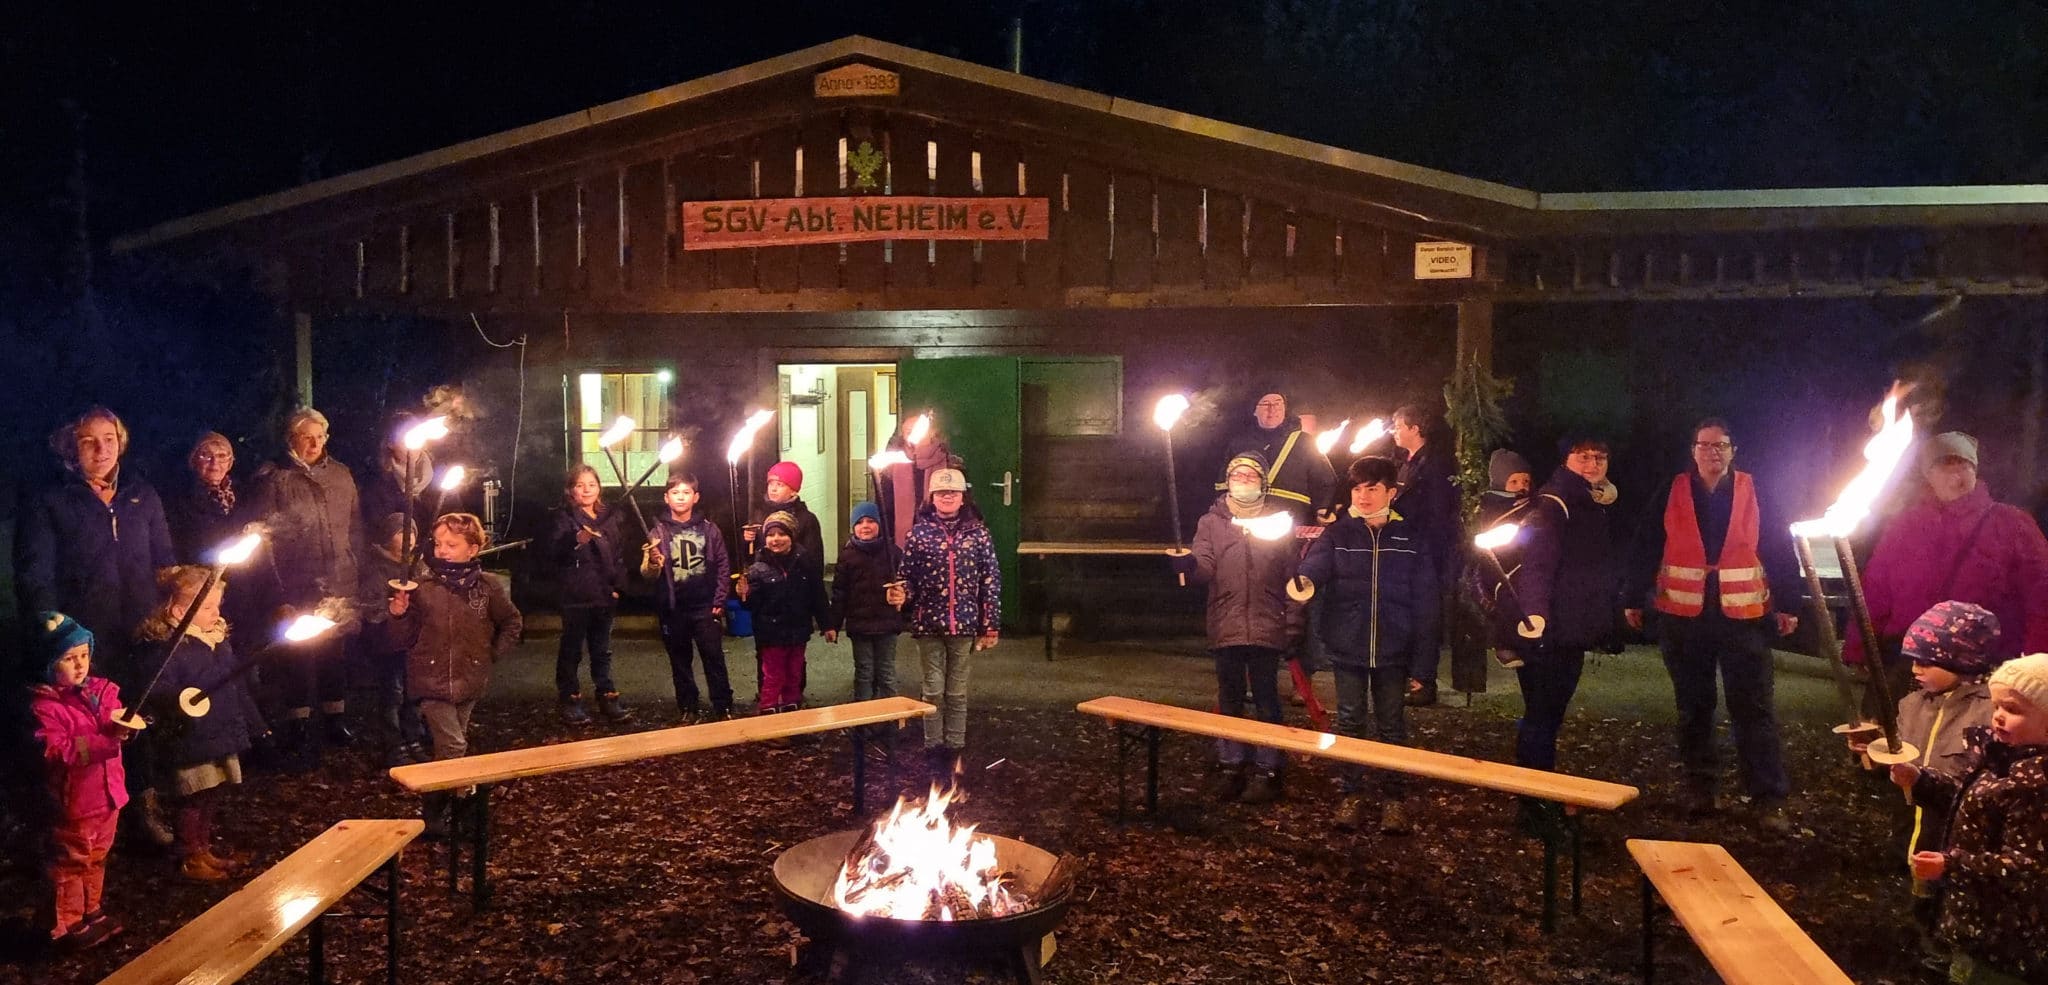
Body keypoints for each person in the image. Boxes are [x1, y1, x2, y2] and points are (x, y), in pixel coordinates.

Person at [1627, 418, 1800, 832]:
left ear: (1733, 450)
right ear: (1693, 451)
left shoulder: (1755, 491)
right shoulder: (1671, 491)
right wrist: (1632, 595)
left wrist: (1789, 603)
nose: (1712, 453)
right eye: (1705, 446)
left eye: (1720, 445)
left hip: (1744, 619)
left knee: (1753, 709)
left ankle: (1768, 797)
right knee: (1693, 708)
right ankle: (1700, 790)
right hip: (1685, 620)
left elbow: (1777, 545)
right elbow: (1646, 543)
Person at [16, 407, 176, 845]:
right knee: (90, 726)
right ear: (72, 448)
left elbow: (165, 562)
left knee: (138, 717)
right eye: (89, 441)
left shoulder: (142, 495)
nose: (101, 449)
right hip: (84, 639)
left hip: (141, 632)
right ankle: (86, 820)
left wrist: (182, 597)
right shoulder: (51, 501)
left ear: (121, 441)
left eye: (109, 438)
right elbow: (35, 574)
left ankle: (143, 806)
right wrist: (54, 630)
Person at [1846, 432, 2048, 698]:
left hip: (1984, 665)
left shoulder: (2012, 524)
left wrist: (2037, 659)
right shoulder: (1905, 525)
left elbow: (2041, 594)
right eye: (1944, 465)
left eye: (1963, 464)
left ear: (1975, 469)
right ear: (1928, 475)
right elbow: (1875, 589)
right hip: (1910, 661)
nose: (1956, 474)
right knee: (1899, 734)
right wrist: (1859, 646)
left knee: (1964, 736)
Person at [1297, 456, 1437, 832]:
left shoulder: (1410, 538)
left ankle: (1393, 798)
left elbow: (1426, 601)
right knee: (1350, 720)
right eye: (1358, 488)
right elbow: (1317, 564)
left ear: (1391, 492)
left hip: (1394, 647)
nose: (1364, 495)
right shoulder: (1340, 533)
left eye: (1373, 488)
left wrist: (1424, 665)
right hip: (1350, 645)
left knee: (1391, 724)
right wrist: (1305, 580)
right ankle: (1351, 792)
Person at [1891, 652, 2048, 984]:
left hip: (2006, 936)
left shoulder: (2036, 785)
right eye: (1997, 707)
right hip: (1978, 920)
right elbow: (1968, 798)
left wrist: (1953, 864)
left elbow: (2029, 867)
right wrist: (1920, 779)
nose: (1999, 718)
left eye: (2013, 710)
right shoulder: (2004, 758)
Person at [1859, 601, 1999, 969]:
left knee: (1949, 887)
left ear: (1963, 662)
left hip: (1956, 825)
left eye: (1927, 662)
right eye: (1913, 660)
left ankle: (1953, 949)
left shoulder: (1989, 711)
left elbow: (1981, 780)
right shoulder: (1912, 704)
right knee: (1918, 874)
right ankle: (1922, 933)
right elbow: (1897, 752)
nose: (1915, 669)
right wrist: (1872, 752)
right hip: (1915, 816)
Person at [382, 513, 521, 838]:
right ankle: (466, 803)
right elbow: (400, 638)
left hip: (470, 678)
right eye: (440, 543)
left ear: (472, 549)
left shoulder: (487, 587)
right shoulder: (424, 588)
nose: (442, 550)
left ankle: (435, 814)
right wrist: (397, 614)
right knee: (454, 745)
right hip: (430, 681)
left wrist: (491, 654)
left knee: (449, 749)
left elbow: (512, 621)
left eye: (452, 544)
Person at [1173, 451, 1301, 806]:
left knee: (1266, 699)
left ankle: (1268, 768)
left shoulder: (1278, 522)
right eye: (1237, 477)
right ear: (1227, 482)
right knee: (1229, 697)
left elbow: (1294, 577)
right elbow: (1205, 569)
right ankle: (1232, 765)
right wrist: (1189, 564)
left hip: (1266, 623)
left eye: (1251, 477)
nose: (1243, 483)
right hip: (1226, 622)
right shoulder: (1211, 523)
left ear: (1263, 482)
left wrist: (1292, 624)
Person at [134, 567, 268, 882]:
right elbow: (159, 692)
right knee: (193, 797)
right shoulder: (167, 649)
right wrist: (177, 704)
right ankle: (188, 855)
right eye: (207, 607)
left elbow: (234, 686)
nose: (216, 612)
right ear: (181, 611)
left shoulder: (217, 639)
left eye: (217, 605)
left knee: (212, 794)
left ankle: (203, 848)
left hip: (220, 733)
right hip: (191, 739)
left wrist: (256, 723)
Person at [1500, 438, 1624, 771]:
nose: (1592, 463)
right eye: (1583, 456)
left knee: (1548, 718)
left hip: (1570, 629)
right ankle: (1535, 804)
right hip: (1548, 633)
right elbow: (1537, 564)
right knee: (1542, 717)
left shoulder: (1589, 501)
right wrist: (1536, 616)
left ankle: (1540, 798)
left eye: (1600, 456)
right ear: (1566, 460)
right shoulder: (1555, 503)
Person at [248, 407, 364, 763]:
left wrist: (354, 570)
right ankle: (298, 723)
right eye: (306, 437)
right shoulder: (277, 480)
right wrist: (278, 594)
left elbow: (356, 529)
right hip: (297, 582)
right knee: (297, 655)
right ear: (292, 440)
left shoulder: (342, 475)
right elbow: (265, 538)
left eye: (320, 436)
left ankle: (334, 720)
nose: (314, 443)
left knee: (334, 654)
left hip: (338, 580)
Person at [28, 612, 133, 949]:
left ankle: (91, 910)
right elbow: (56, 750)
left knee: (98, 857)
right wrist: (107, 741)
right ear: (48, 663)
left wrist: (123, 724)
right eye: (68, 658)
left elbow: (112, 723)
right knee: (71, 862)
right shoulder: (45, 707)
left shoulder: (100, 693)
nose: (80, 665)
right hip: (75, 802)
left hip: (108, 795)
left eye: (84, 655)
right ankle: (67, 923)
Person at [901, 468, 1000, 777]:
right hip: (929, 623)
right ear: (931, 498)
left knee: (956, 690)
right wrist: (901, 593)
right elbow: (908, 578)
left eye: (953, 493)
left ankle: (955, 746)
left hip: (964, 623)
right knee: (932, 688)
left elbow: (991, 580)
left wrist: (990, 623)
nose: (947, 497)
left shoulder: (978, 534)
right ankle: (934, 746)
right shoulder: (918, 534)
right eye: (941, 493)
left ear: (962, 497)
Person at [641, 474, 734, 724]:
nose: (680, 497)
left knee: (713, 657)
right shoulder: (657, 531)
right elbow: (648, 573)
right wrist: (653, 563)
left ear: (695, 497)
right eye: (675, 492)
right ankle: (688, 706)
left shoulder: (709, 529)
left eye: (685, 492)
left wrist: (720, 599)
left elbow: (724, 565)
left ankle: (722, 705)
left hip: (705, 606)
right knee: (680, 661)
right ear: (666, 498)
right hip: (674, 608)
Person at [548, 465, 631, 725]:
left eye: (592, 484)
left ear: (599, 488)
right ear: (570, 490)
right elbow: (553, 552)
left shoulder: (610, 517)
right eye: (580, 485)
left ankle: (607, 695)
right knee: (572, 649)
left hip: (604, 594)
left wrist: (618, 587)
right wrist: (576, 540)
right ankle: (570, 698)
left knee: (602, 649)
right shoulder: (563, 517)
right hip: (575, 595)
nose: (586, 490)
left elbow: (618, 555)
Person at [1391, 403, 1460, 706]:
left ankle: (1422, 681)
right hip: (1409, 549)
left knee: (1424, 616)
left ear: (1414, 429)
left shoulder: (1434, 465)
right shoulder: (1408, 462)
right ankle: (1408, 675)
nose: (1394, 431)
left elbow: (1437, 512)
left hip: (1426, 551)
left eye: (1398, 426)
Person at [738, 511, 834, 714]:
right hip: (771, 633)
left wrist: (827, 624)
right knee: (773, 675)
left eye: (782, 534)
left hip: (798, 629)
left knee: (794, 673)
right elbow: (751, 605)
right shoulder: (758, 567)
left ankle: (792, 711)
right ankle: (769, 713)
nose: (776, 539)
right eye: (771, 535)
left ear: (792, 536)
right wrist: (744, 595)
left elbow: (817, 594)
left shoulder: (805, 562)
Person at [358, 512, 427, 765]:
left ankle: (414, 737)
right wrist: (388, 609)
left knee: (413, 692)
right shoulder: (377, 569)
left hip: (413, 642)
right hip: (387, 643)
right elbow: (369, 605)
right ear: (388, 537)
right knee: (392, 694)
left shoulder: (418, 565)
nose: (407, 538)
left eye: (412, 532)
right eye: (401, 532)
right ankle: (393, 744)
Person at [830, 501, 906, 708]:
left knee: (886, 672)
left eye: (871, 521)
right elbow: (839, 593)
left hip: (886, 624)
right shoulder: (848, 556)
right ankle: (863, 717)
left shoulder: (893, 553)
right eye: (860, 522)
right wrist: (833, 625)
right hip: (860, 626)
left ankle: (891, 717)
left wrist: (903, 603)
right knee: (864, 672)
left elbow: (905, 584)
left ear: (880, 524)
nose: (865, 526)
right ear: (853, 527)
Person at [1219, 391, 1336, 525]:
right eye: (1265, 404)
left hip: (1294, 520)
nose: (1272, 409)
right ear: (1254, 410)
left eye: (1277, 403)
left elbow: (1325, 481)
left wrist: (1324, 509)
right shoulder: (1238, 443)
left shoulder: (1304, 442)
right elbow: (1223, 484)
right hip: (1246, 520)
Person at [164, 432, 245, 566]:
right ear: (194, 460)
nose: (215, 463)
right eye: (206, 456)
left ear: (230, 461)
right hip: (202, 576)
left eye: (222, 456)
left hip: (243, 577)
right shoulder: (179, 499)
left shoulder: (244, 492)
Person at [878, 416, 953, 550]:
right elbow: (886, 503)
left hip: (941, 535)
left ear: (930, 433)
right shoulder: (894, 461)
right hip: (904, 535)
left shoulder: (948, 460)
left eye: (915, 430)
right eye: (907, 431)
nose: (911, 435)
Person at [746, 461, 826, 582]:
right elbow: (751, 556)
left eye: (780, 484)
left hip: (795, 586)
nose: (773, 489)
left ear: (793, 490)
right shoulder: (759, 516)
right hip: (766, 588)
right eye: (771, 484)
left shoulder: (806, 519)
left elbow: (814, 561)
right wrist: (748, 541)